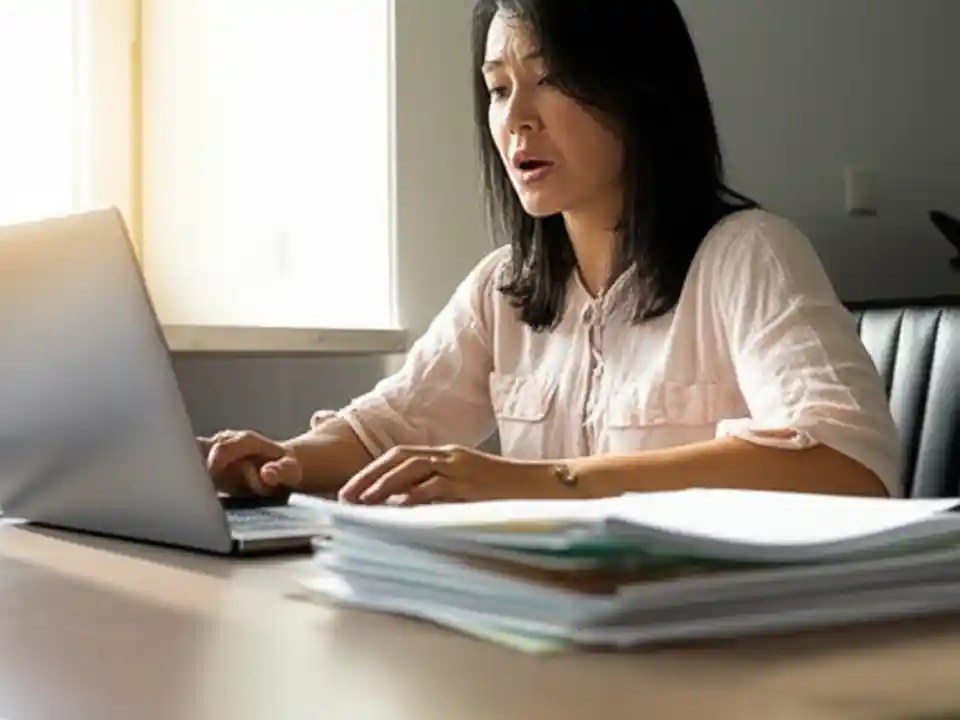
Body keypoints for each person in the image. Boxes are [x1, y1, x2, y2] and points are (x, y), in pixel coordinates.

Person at [201, 0, 899, 505]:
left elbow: (848, 464)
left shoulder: (751, 256)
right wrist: (283, 461)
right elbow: (391, 427)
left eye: (551, 78)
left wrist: (543, 481)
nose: (516, 119)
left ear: (637, 89)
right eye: (498, 89)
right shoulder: (505, 288)